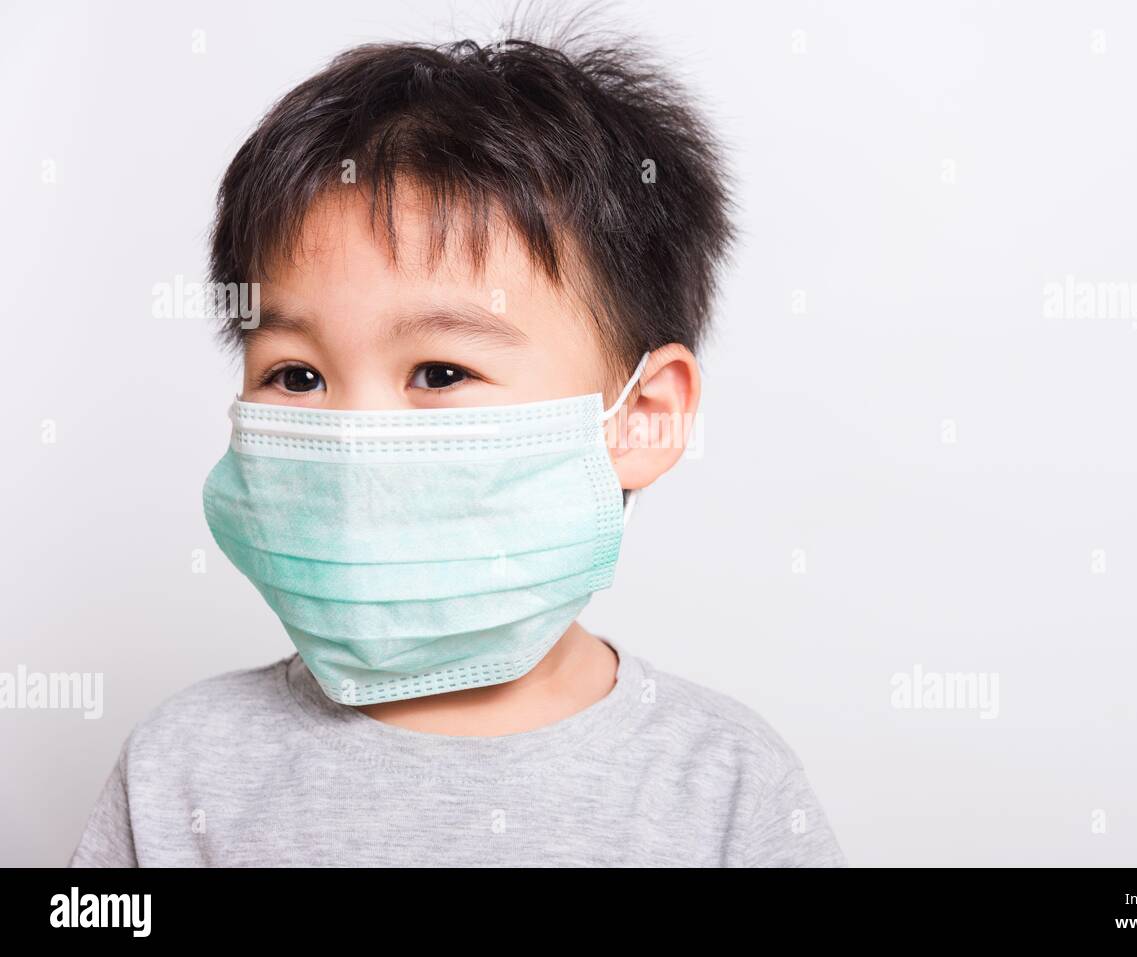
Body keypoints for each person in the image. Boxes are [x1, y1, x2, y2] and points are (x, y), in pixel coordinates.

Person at [69, 30, 845, 867]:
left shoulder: (724, 790)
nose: (355, 443)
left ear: (641, 416)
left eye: (440, 370)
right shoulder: (179, 773)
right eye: (295, 375)